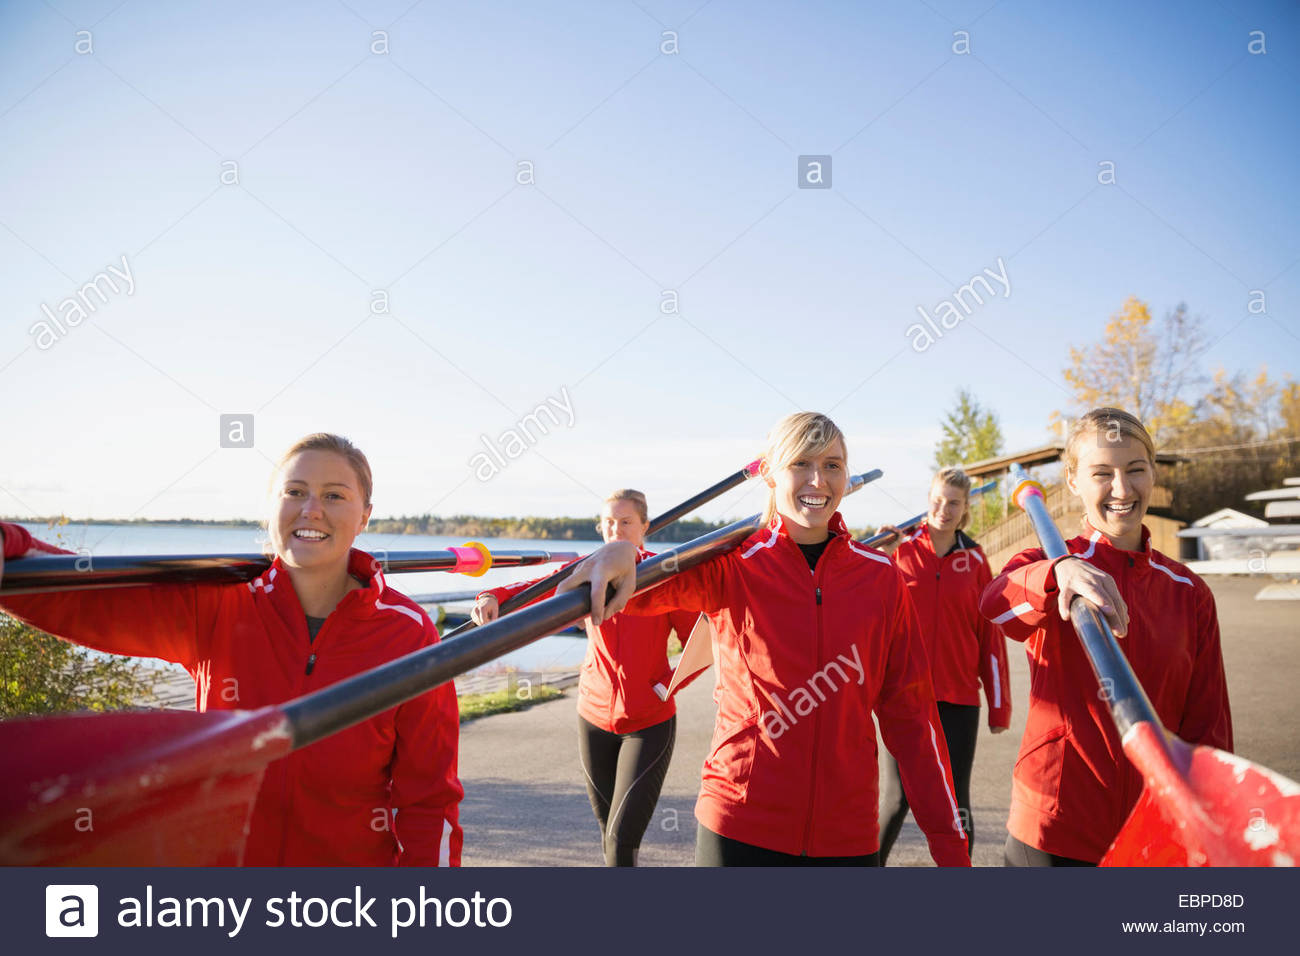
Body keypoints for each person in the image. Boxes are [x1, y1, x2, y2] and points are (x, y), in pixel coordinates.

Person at [0, 433, 463, 866]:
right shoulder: (220, 606)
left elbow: (429, 799)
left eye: (334, 495)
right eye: (295, 491)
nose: (311, 510)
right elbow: (89, 600)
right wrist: (11, 547)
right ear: (271, 506)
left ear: (364, 516)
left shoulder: (407, 633)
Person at [558, 412, 970, 866]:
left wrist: (950, 845)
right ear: (770, 474)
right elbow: (650, 586)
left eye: (832, 465)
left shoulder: (881, 580)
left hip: (847, 837)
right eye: (801, 463)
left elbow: (912, 720)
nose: (818, 479)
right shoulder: (732, 566)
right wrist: (623, 553)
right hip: (739, 825)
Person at [979, 407, 1232, 866]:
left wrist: (1208, 824)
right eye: (1102, 473)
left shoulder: (1189, 592)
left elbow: (1208, 727)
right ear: (1073, 481)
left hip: (1152, 836)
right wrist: (1058, 572)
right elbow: (995, 607)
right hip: (1053, 830)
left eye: (1136, 470)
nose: (1121, 489)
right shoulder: (1046, 565)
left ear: (1152, 473)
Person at [472, 489, 700, 866]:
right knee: (606, 832)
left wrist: (664, 687)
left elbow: (697, 644)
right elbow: (539, 591)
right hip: (592, 717)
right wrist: (492, 594)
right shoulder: (587, 569)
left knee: (622, 837)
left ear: (644, 527)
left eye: (626, 522)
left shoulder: (661, 574)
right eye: (608, 523)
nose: (616, 530)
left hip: (648, 723)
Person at [874, 467, 1011, 863]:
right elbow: (868, 609)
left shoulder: (975, 559)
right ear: (927, 498)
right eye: (937, 500)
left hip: (959, 699)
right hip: (905, 695)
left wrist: (999, 706)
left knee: (955, 799)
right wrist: (880, 557)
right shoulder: (899, 550)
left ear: (966, 507)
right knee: (897, 799)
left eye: (953, 502)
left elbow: (991, 637)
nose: (943, 509)